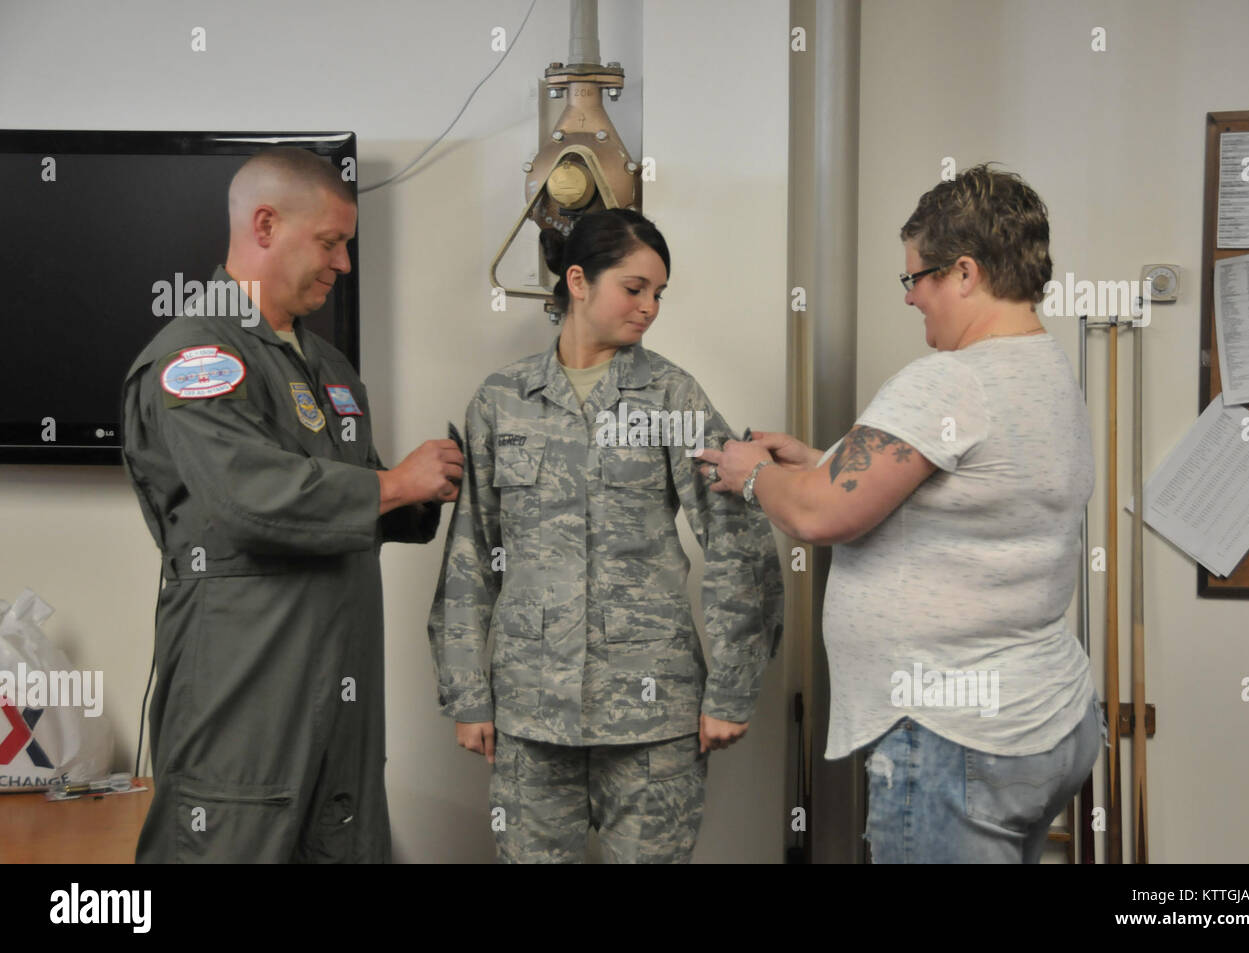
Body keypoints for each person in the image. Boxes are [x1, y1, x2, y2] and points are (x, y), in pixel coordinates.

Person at [698, 164, 1103, 863]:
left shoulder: (951, 377)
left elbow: (822, 518)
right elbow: (966, 487)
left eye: (917, 277)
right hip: (1042, 721)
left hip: (956, 740)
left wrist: (755, 473)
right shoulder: (1043, 367)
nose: (912, 297)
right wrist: (820, 458)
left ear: (966, 272)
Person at [122, 147, 463, 863]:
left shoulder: (327, 366)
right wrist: (395, 482)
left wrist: (433, 487)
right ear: (266, 224)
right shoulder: (194, 356)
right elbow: (249, 498)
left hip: (336, 690)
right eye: (331, 242)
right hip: (245, 692)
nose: (342, 263)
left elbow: (355, 495)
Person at [428, 207, 783, 864]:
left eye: (659, 293)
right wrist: (467, 692)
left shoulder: (673, 398)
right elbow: (471, 556)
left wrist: (732, 688)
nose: (649, 307)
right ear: (578, 281)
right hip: (531, 718)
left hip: (652, 720)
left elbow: (738, 541)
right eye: (635, 287)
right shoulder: (502, 401)